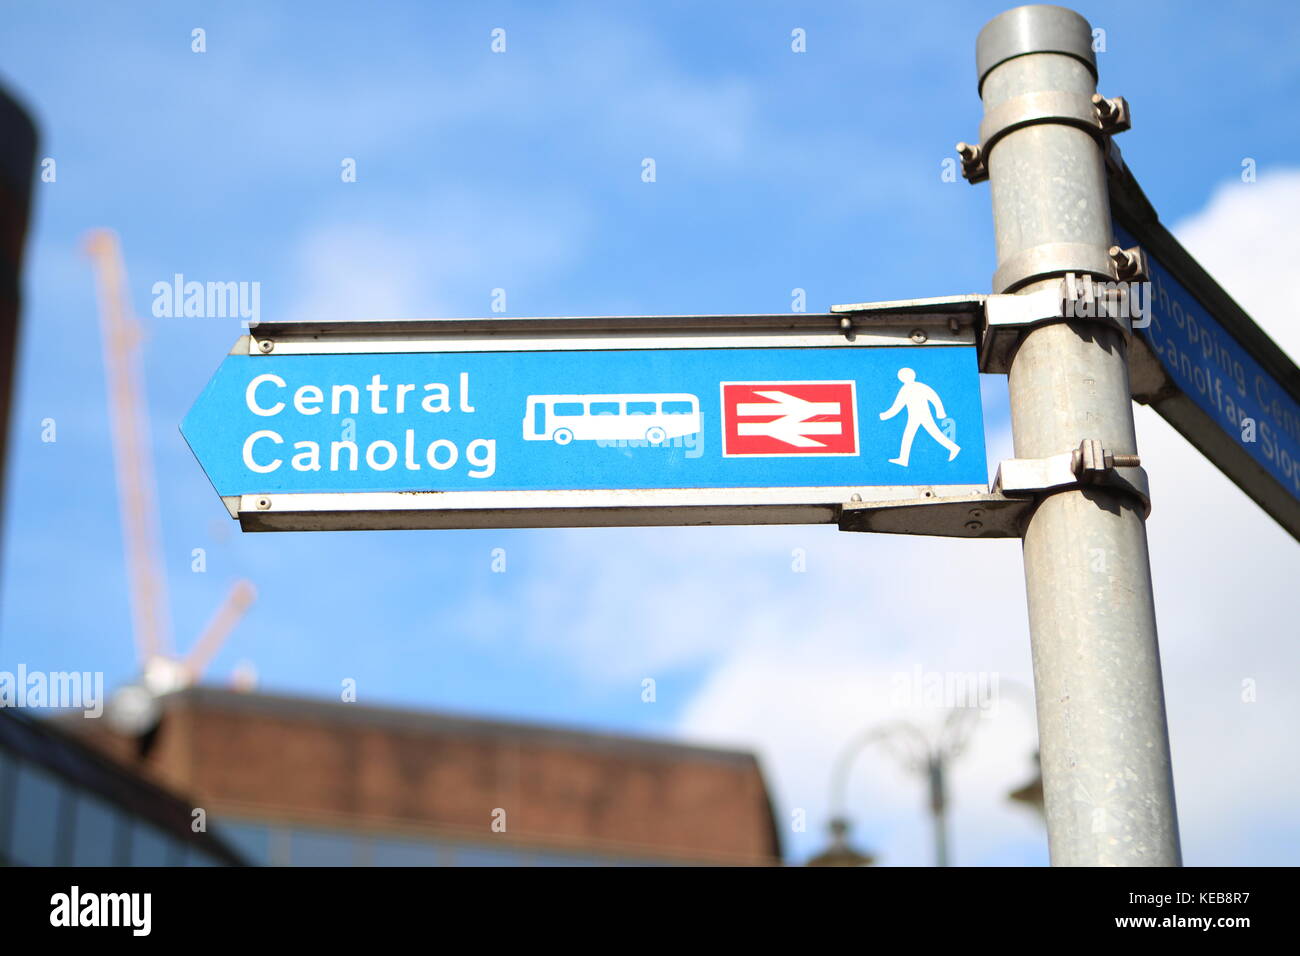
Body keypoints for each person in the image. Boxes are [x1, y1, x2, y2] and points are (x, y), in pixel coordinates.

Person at [879, 367, 960, 466]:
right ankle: (903, 459)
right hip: (915, 417)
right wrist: (886, 415)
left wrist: (884, 416)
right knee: (915, 435)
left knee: (928, 434)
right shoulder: (912, 388)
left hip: (921, 416)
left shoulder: (909, 388)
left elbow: (934, 397)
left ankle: (954, 448)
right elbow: (898, 405)